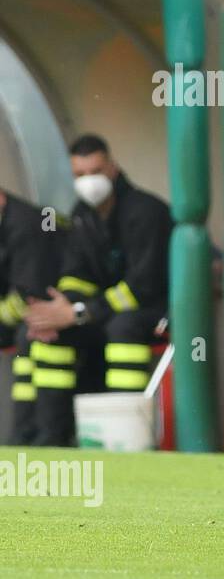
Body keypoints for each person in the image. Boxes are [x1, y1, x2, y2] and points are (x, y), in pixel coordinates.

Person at [21, 136, 172, 448]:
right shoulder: (81, 214)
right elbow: (76, 274)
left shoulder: (147, 211)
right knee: (49, 333)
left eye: (96, 171)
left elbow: (143, 287)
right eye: (80, 174)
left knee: (123, 326)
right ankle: (52, 436)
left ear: (112, 168)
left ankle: (126, 434)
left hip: (154, 311)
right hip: (102, 311)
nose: (89, 181)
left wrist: (80, 312)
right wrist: (62, 309)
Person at [1, 189, 62, 444]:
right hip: (28, 316)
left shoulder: (27, 225)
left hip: (53, 309)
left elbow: (29, 292)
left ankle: (29, 433)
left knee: (27, 338)